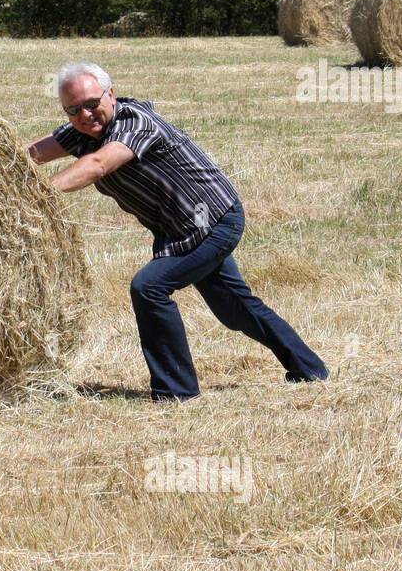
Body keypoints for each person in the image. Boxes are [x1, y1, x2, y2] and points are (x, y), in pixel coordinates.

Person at [26, 61, 328, 401]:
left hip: (213, 219)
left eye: (92, 103)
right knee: (234, 308)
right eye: (73, 109)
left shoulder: (134, 121)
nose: (85, 115)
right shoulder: (81, 132)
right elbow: (27, 156)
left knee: (149, 287)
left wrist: (37, 197)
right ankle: (309, 368)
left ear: (110, 95)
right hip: (179, 230)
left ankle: (176, 392)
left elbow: (98, 165)